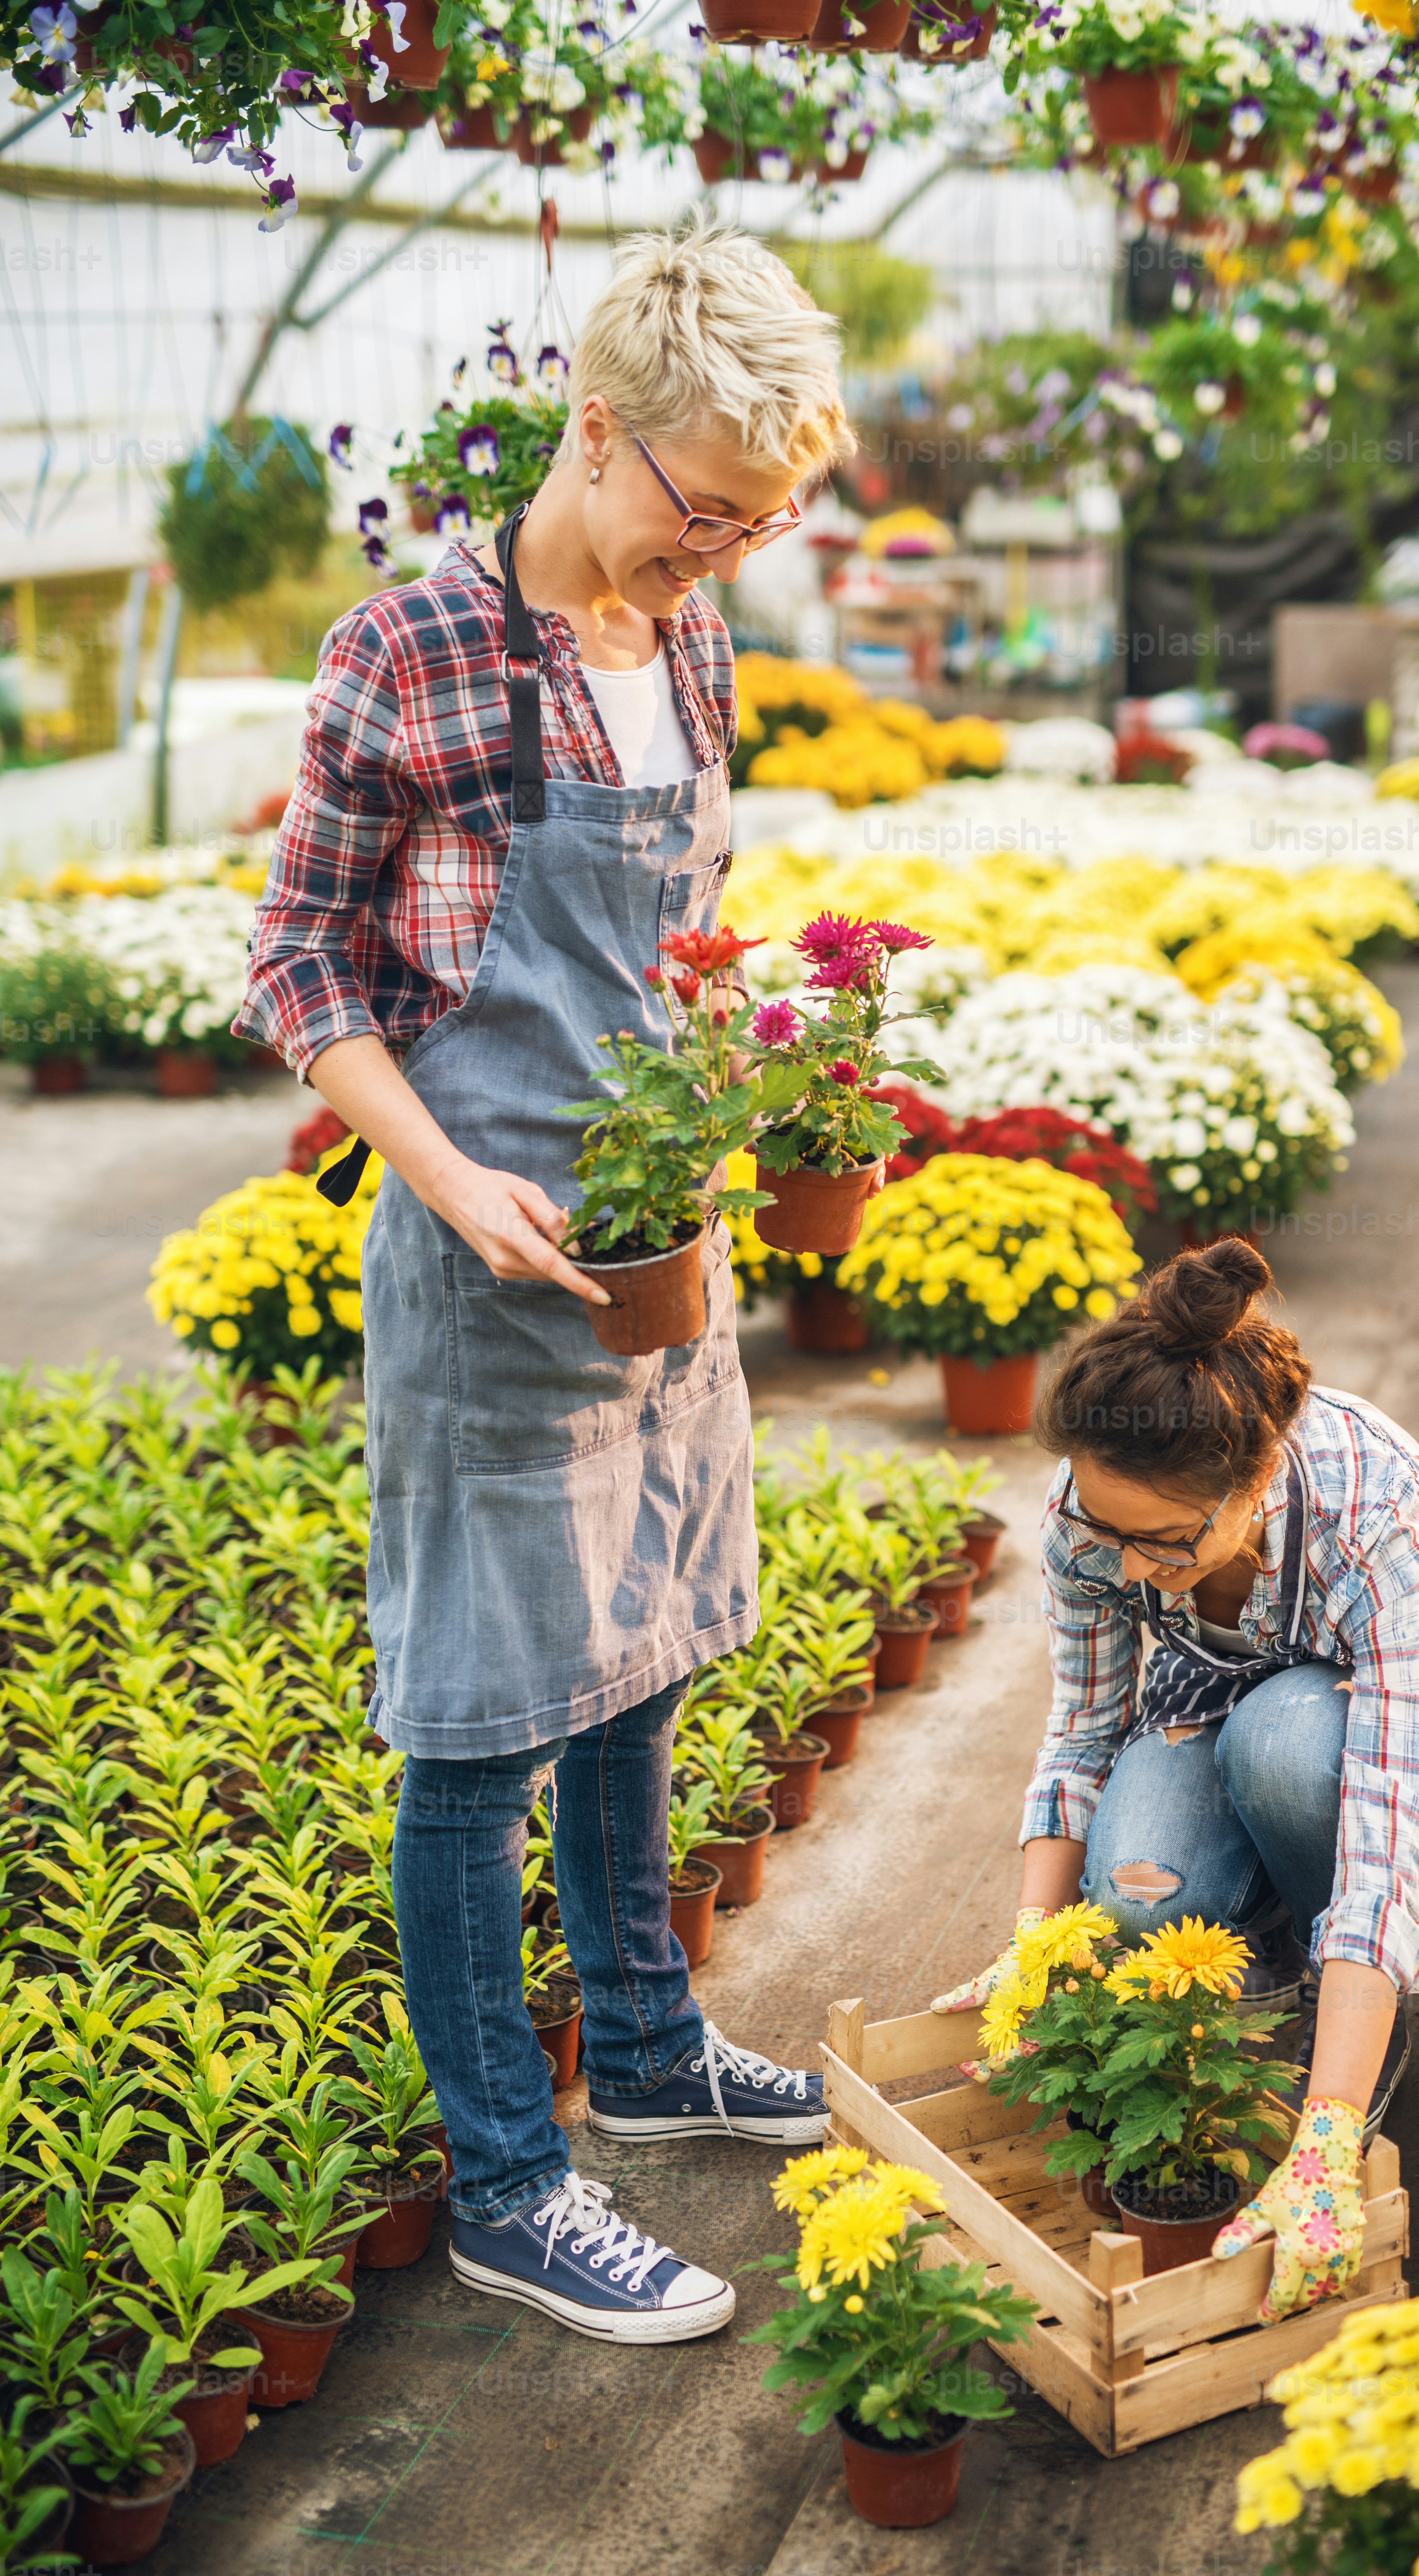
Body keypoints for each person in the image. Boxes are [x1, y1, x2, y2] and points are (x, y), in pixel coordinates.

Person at [233, 220, 855, 2344]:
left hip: (653, 1250)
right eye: (699, 513)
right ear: (595, 434)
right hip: (484, 1266)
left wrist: (734, 1101)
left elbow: (672, 937)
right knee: (479, 1724)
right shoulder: (403, 649)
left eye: (757, 528)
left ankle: (657, 2046)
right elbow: (301, 964)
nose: (719, 563)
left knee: (648, 1650)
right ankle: (509, 2173)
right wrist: (446, 1171)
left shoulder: (687, 650)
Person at [932, 1239, 1419, 2323]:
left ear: (1259, 1483)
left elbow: (1383, 1832)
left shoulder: (1379, 1521)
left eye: (1167, 1548)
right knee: (1140, 1903)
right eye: (1104, 1534)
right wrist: (1032, 1946)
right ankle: (1268, 1922)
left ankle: (1354, 2019)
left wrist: (1323, 2135)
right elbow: (1083, 1733)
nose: (1127, 1570)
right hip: (1235, 1691)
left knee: (1280, 1746)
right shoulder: (1103, 1507)